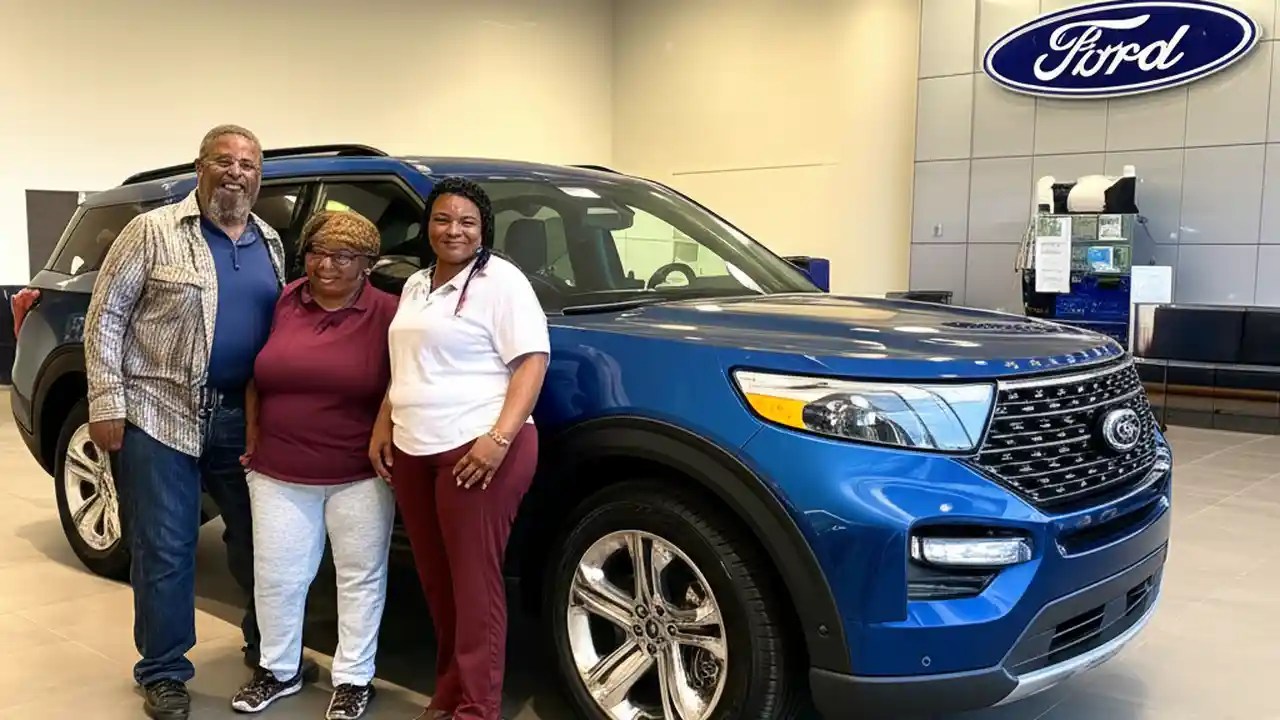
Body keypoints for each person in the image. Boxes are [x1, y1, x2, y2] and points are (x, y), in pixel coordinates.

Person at [85, 124, 285, 720]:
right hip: (157, 412)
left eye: (248, 164)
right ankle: (165, 670)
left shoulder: (270, 240)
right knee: (166, 547)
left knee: (258, 539)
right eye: (224, 161)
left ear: (259, 175)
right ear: (200, 167)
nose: (236, 173)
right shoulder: (150, 231)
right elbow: (107, 318)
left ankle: (268, 647)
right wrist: (106, 404)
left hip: (240, 418)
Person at [369, 176, 550, 720]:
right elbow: (406, 364)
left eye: (467, 221)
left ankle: (477, 706)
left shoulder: (502, 281)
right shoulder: (417, 284)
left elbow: (532, 362)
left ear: (484, 229)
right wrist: (384, 423)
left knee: (474, 584)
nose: (454, 230)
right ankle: (448, 690)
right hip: (414, 449)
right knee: (436, 580)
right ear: (428, 225)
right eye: (444, 219)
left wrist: (498, 439)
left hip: (478, 450)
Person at [230, 210, 398, 720]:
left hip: (359, 473)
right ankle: (279, 670)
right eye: (317, 252)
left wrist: (383, 430)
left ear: (367, 264)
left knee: (359, 577)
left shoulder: (389, 313)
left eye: (344, 256)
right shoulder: (284, 300)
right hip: (278, 468)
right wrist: (253, 434)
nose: (326, 265)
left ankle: (353, 678)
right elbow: (257, 370)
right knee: (278, 576)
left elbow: (408, 380)